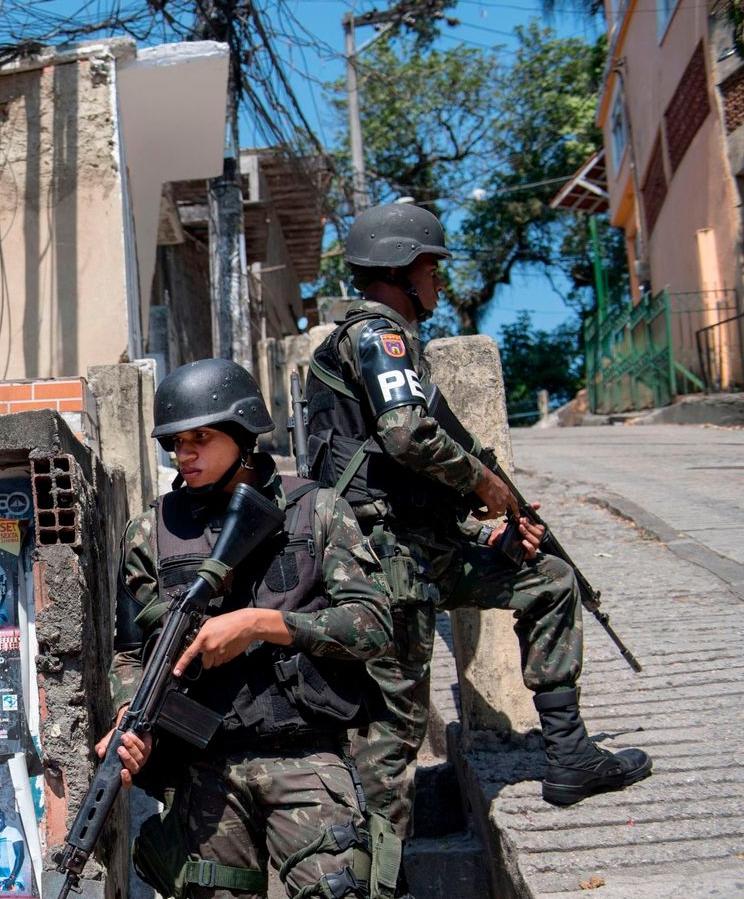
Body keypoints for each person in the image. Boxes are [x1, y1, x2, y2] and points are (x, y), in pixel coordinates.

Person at [303, 203, 651, 870]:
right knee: (395, 739)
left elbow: (395, 466)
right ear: (403, 270)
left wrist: (483, 530)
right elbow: (407, 437)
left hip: (419, 551)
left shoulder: (383, 342)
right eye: (432, 269)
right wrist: (487, 485)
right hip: (382, 568)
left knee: (548, 579)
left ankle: (570, 753)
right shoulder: (381, 336)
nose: (440, 285)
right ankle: (371, 875)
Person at [108, 358, 393, 898]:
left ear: (243, 437)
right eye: (174, 443)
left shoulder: (317, 511)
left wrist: (264, 624)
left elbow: (374, 625)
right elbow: (127, 654)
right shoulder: (150, 530)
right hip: (204, 770)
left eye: (200, 438)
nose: (183, 454)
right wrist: (130, 711)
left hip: (305, 756)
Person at [0, 808, 25, 892]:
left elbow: (20, 856)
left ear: (3, 818)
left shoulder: (13, 832)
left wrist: (12, 878)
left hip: (13, 883)